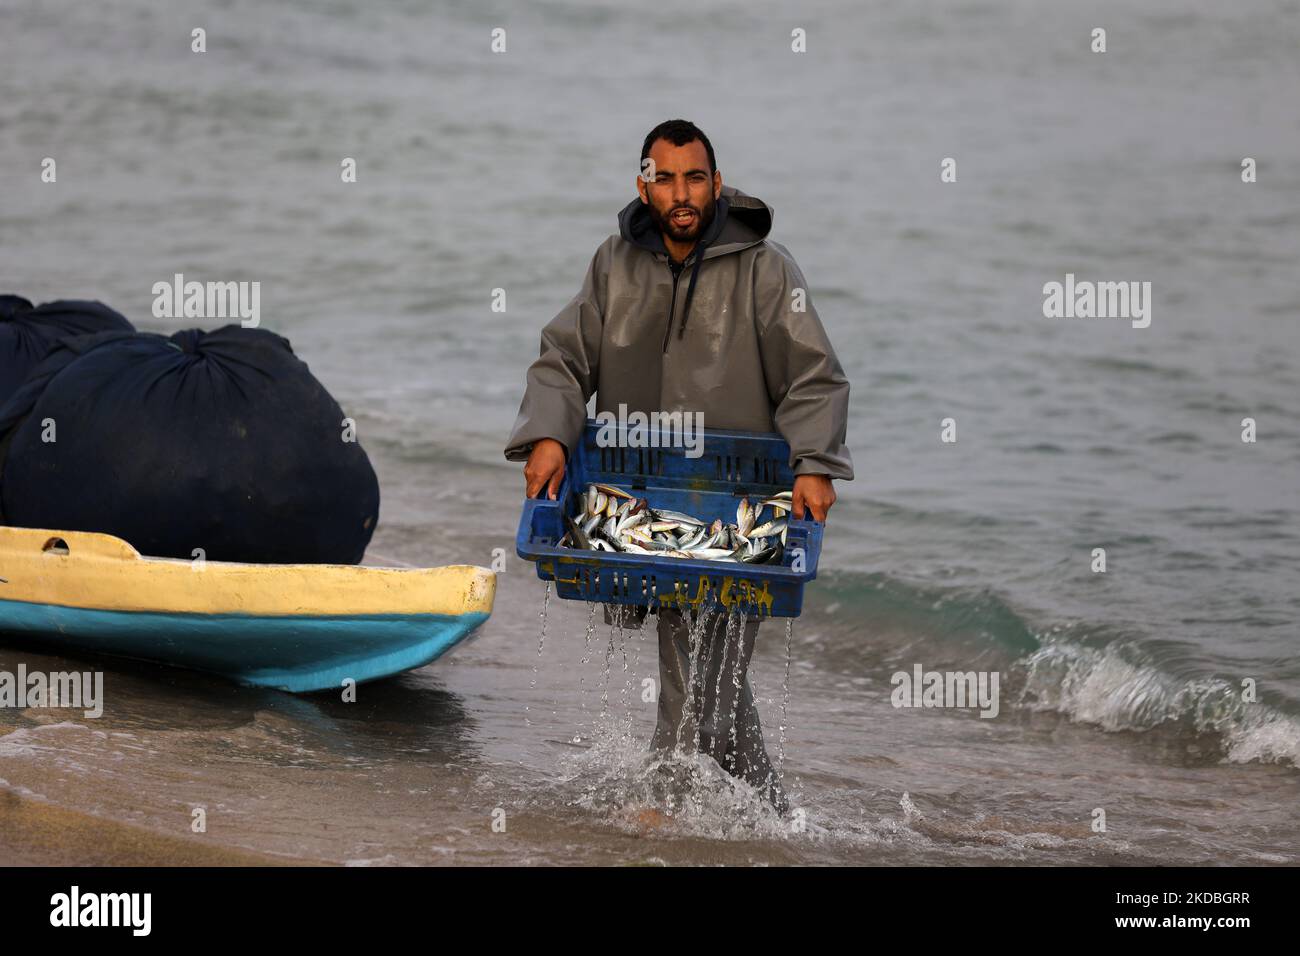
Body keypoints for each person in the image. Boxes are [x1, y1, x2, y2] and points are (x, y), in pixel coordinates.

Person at [505, 119, 852, 812]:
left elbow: (814, 374)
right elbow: (564, 358)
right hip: (648, 508)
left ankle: (687, 815)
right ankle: (754, 824)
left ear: (716, 184)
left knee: (707, 692)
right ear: (644, 185)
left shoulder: (766, 267)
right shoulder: (614, 264)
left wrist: (813, 462)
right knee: (692, 676)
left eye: (694, 177)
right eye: (664, 178)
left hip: (743, 510)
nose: (681, 192)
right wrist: (548, 433)